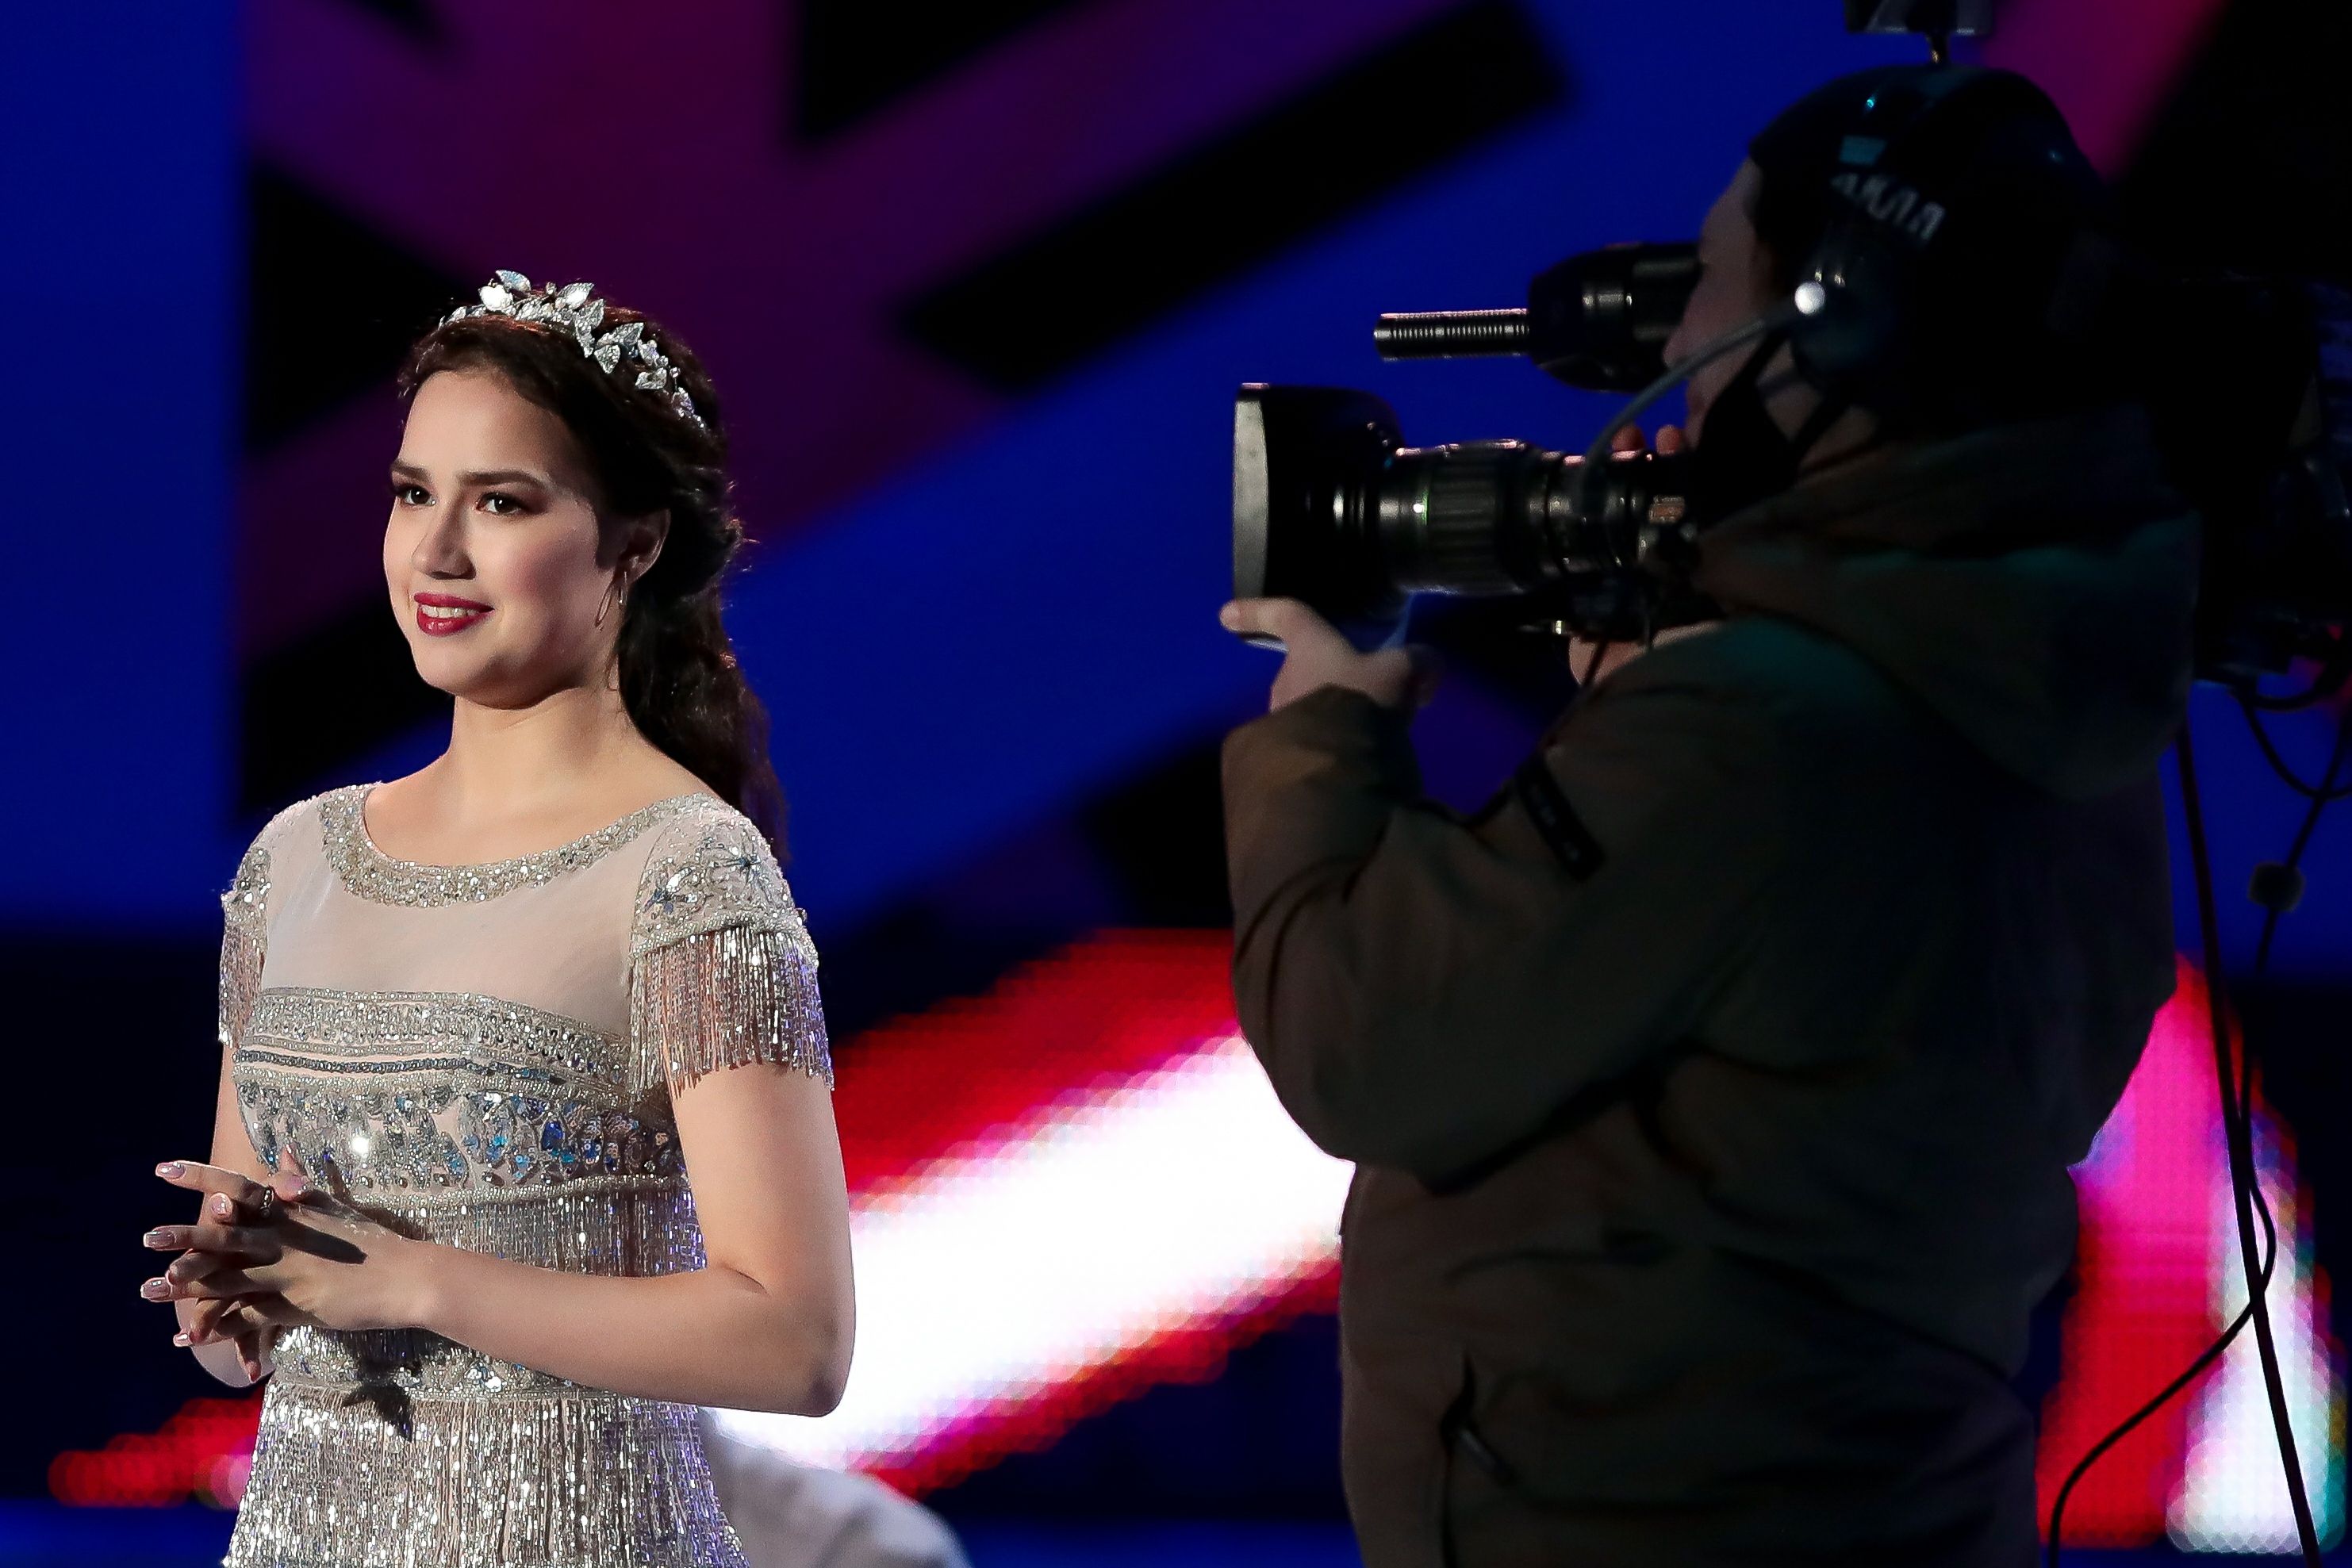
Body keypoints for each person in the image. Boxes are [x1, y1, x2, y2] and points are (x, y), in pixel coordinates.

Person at [1219, 66, 2198, 1566]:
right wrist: (1659, 698)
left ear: (1828, 319)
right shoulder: (2027, 700)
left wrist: (1325, 726)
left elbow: (1366, 1040)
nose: (1675, 346)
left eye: (1713, 283)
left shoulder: (1764, 735)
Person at [136, 272, 855, 1566]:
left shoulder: (687, 869)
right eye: (414, 493)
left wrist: (420, 1280)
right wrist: (236, 1294)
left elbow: (797, 1342)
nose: (436, 552)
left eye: (503, 502)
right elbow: (255, 1321)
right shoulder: (294, 860)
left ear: (633, 544)